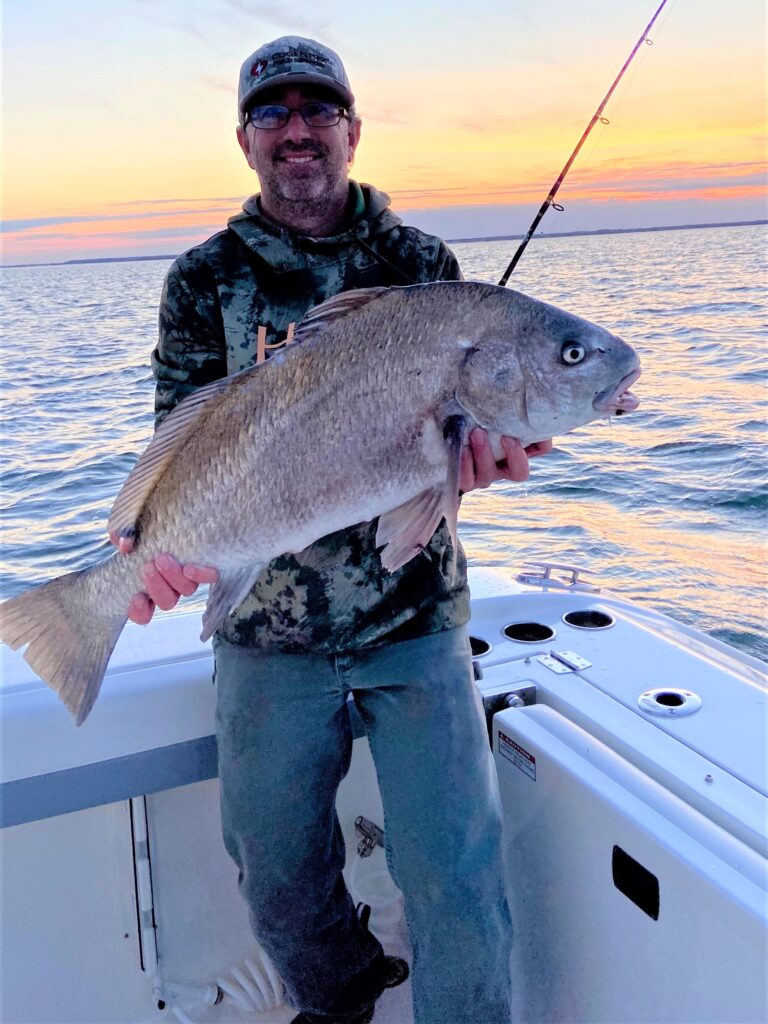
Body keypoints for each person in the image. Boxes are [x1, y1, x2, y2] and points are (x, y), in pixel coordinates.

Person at [115, 36, 551, 1024]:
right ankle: (346, 990)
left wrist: (474, 465)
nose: (299, 129)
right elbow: (180, 437)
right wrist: (156, 544)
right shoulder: (201, 279)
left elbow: (447, 448)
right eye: (275, 113)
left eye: (320, 111)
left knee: (457, 869)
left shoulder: (421, 268)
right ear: (246, 140)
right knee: (270, 867)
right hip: (265, 625)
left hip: (415, 615)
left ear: (353, 130)